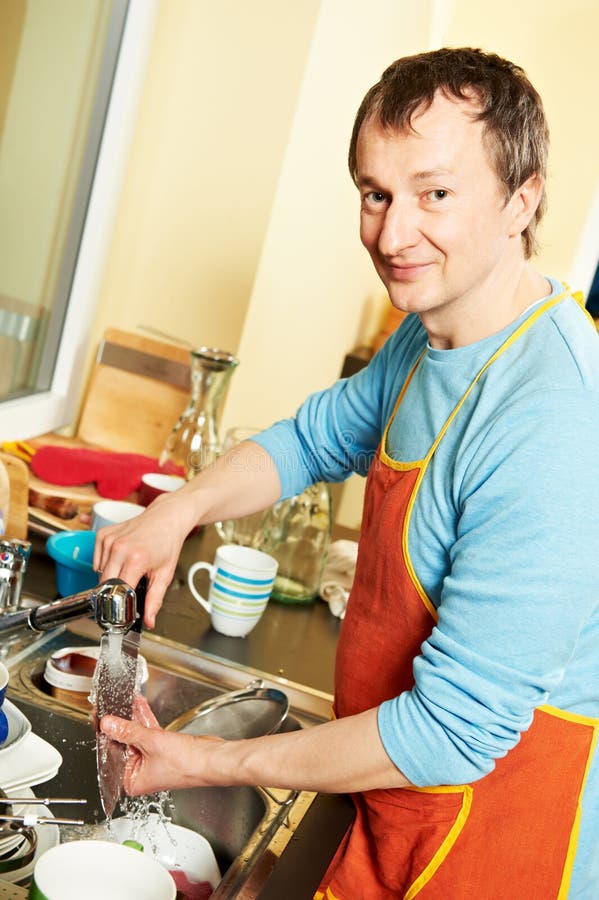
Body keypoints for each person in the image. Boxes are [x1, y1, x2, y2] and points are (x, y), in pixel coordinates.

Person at [96, 47, 599, 898]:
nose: (392, 236)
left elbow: (453, 730)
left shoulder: (554, 417)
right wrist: (175, 512)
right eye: (375, 194)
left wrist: (207, 759)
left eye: (434, 194)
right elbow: (311, 440)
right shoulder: (433, 332)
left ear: (521, 199)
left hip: (495, 844)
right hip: (392, 804)